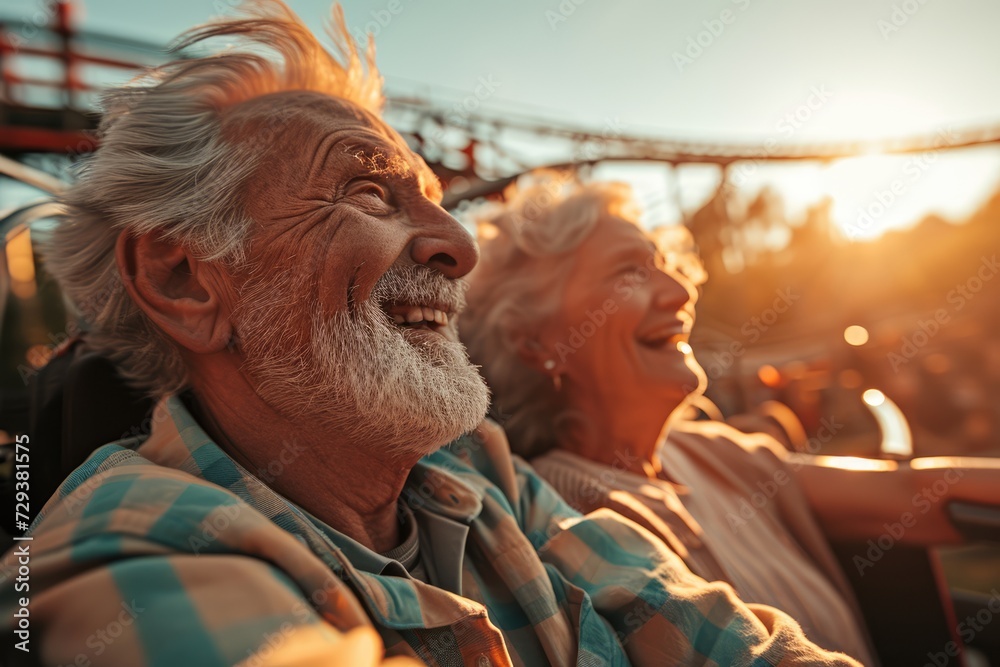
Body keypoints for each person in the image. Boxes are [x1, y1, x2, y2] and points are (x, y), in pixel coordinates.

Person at [0, 4, 867, 666]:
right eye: (371, 195)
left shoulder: (483, 473)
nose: (462, 245)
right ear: (184, 279)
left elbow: (720, 635)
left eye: (433, 199)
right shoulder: (135, 547)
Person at [460, 173, 1000, 666]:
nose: (681, 291)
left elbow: (917, 492)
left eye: (667, 267)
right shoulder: (563, 510)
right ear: (533, 340)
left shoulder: (712, 452)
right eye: (630, 272)